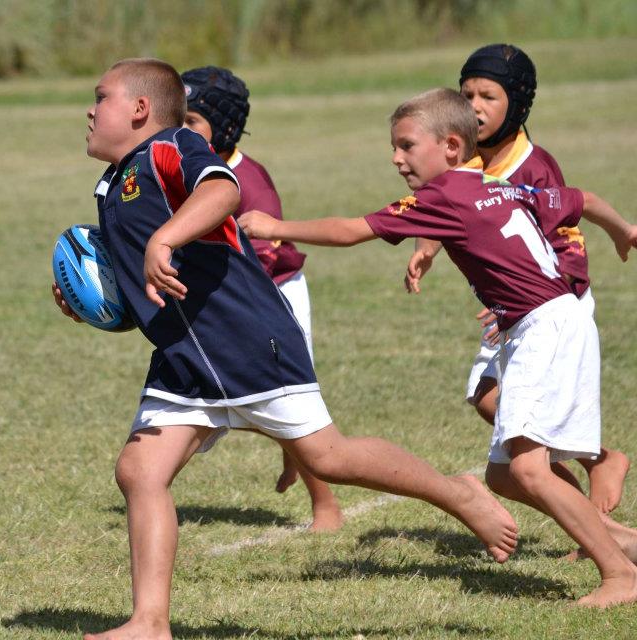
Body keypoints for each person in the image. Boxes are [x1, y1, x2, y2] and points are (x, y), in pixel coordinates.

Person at [53, 59, 518, 640]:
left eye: (102, 97)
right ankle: (149, 622)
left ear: (140, 110)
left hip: (246, 342)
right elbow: (150, 286)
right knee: (139, 471)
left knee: (329, 459)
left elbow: (222, 189)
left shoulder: (172, 148)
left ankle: (460, 495)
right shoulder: (111, 185)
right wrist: (98, 303)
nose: (91, 110)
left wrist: (166, 236)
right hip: (183, 358)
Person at [238, 87, 637, 608]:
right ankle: (624, 543)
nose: (396, 158)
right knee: (504, 475)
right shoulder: (497, 185)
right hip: (542, 322)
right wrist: (623, 230)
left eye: (406, 146)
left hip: (546, 326)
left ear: (451, 146)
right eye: (394, 147)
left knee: (529, 470)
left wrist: (274, 227)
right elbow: (580, 199)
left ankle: (619, 577)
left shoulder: (444, 194)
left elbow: (351, 230)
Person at [403, 43, 629, 514]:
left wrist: (540, 295)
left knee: (513, 442)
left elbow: (565, 243)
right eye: (466, 95)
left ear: (517, 104)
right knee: (491, 402)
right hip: (514, 307)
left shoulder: (534, 167)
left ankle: (597, 473)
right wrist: (426, 248)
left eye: (488, 96)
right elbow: (455, 207)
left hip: (550, 301)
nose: (474, 107)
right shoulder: (463, 155)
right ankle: (589, 487)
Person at [180, 65, 342, 532]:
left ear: (226, 127)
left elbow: (265, 257)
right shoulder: (183, 169)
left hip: (272, 300)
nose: (180, 131)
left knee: (291, 409)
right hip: (222, 303)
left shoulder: (247, 181)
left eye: (191, 121)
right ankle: (150, 484)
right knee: (217, 398)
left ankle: (325, 504)